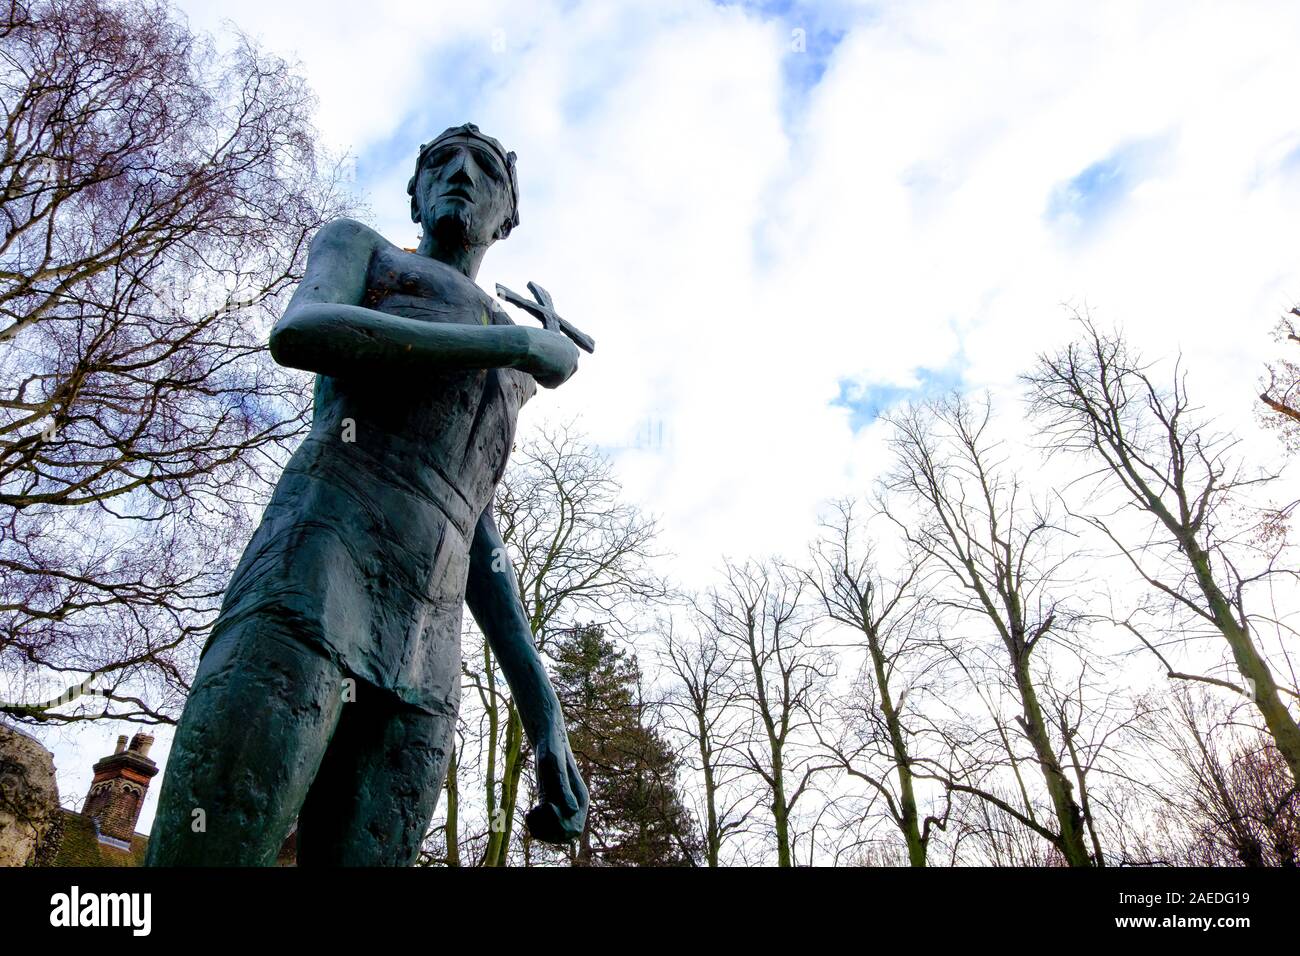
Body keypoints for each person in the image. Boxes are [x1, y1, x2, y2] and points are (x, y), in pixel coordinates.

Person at [146, 123, 588, 866]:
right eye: (441, 162)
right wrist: (513, 346)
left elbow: (473, 524)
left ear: (508, 217)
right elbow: (303, 331)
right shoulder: (365, 250)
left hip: (428, 651)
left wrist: (542, 707)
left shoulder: (518, 364)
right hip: (318, 572)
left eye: (485, 169)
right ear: (413, 194)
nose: (460, 174)